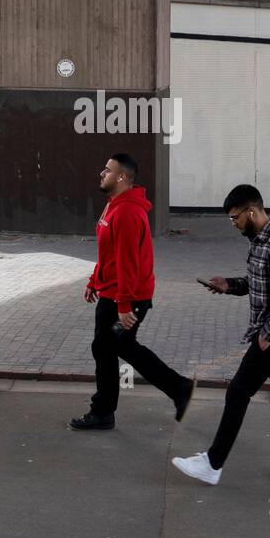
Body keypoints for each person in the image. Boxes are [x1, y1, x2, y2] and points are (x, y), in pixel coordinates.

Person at [172, 184, 270, 485]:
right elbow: (259, 284)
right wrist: (228, 284)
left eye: (235, 217)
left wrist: (267, 334)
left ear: (252, 211)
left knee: (238, 391)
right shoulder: (260, 242)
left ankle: (213, 464)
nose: (234, 224)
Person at [68, 153, 196, 430]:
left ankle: (103, 412)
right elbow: (109, 253)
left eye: (108, 170)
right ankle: (178, 388)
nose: (102, 174)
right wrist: (94, 280)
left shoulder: (127, 212)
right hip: (113, 293)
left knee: (106, 347)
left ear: (122, 177)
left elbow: (128, 263)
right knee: (115, 347)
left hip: (125, 297)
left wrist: (123, 305)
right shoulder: (113, 205)